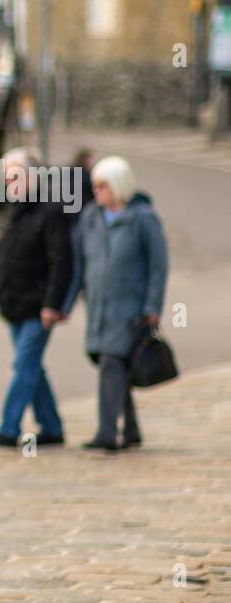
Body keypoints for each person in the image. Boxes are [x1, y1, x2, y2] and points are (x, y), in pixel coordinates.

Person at [71, 155, 168, 451]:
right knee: (114, 364)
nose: (97, 191)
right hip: (99, 307)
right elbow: (80, 264)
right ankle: (132, 430)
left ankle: (106, 432)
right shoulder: (90, 217)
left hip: (130, 311)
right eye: (95, 186)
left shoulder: (142, 219)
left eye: (103, 186)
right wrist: (66, 302)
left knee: (112, 363)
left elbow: (158, 266)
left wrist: (153, 307)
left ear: (119, 185)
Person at [0, 148, 73, 448]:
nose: (12, 184)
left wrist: (52, 304)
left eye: (17, 177)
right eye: (8, 179)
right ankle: (52, 425)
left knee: (24, 366)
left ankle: (9, 427)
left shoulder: (51, 210)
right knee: (32, 367)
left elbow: (61, 261)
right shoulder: (15, 211)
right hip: (14, 304)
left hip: (38, 307)